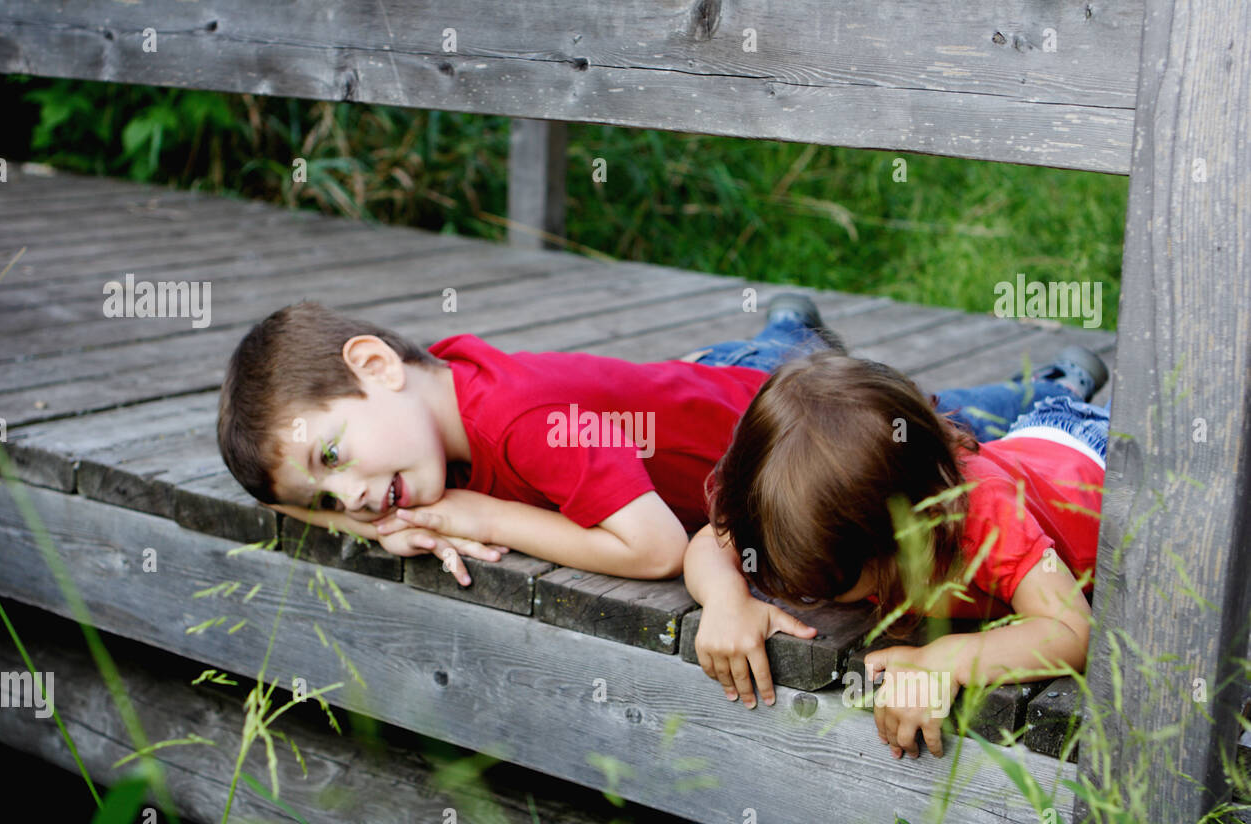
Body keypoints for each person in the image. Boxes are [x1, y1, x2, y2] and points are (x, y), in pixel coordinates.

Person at [216, 296, 1101, 587]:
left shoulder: (519, 423)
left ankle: (1052, 392)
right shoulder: (434, 397)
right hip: (705, 383)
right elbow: (337, 497)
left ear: (374, 365)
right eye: (325, 502)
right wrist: (374, 524)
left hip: (791, 424)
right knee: (768, 359)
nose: (354, 497)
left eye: (333, 460)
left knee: (939, 421)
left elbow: (652, 549)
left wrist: (472, 509)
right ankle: (790, 331)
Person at [685, 349, 1109, 759]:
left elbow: (1070, 629)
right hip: (1025, 445)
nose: (801, 593)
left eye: (828, 583)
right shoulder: (790, 507)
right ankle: (1059, 381)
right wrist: (725, 600)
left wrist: (947, 659)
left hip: (1096, 459)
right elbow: (710, 539)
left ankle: (1063, 385)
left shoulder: (986, 518)